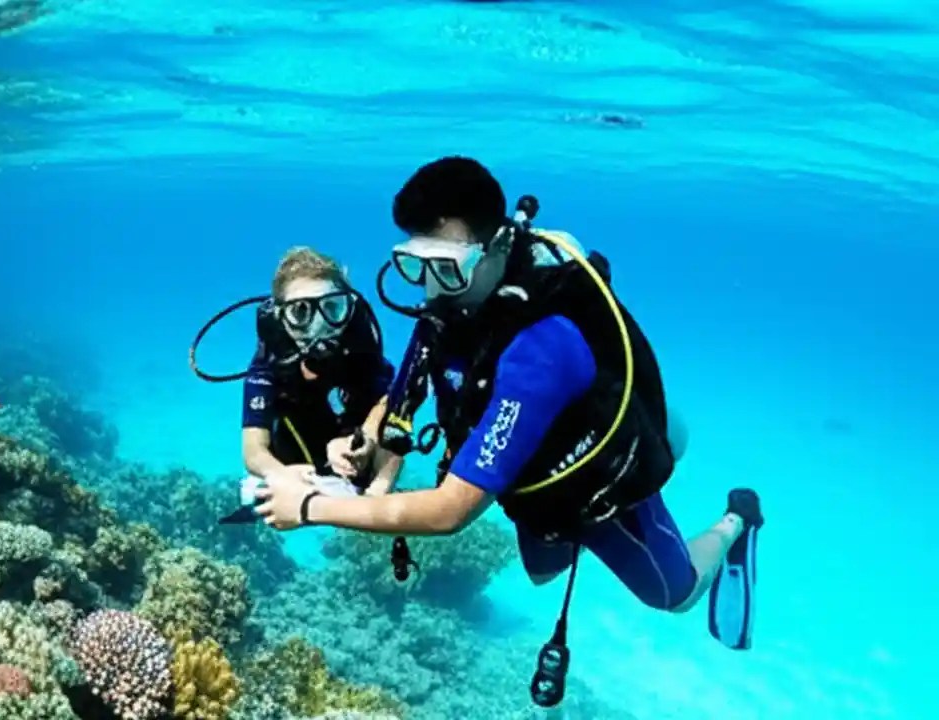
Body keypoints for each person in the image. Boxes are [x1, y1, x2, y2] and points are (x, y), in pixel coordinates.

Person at [253, 157, 764, 705]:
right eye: (415, 265)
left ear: (497, 247)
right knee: (544, 573)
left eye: (447, 267)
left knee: (674, 594)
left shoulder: (542, 347)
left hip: (600, 489)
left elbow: (451, 511)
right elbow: (404, 392)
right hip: (533, 480)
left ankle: (739, 521)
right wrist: (368, 441)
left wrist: (308, 508)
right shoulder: (449, 308)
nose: (430, 289)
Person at [191, 246, 402, 514]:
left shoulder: (362, 351)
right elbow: (254, 449)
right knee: (259, 487)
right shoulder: (269, 364)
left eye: (332, 308)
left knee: (395, 435)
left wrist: (366, 441)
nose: (319, 326)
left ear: (348, 308)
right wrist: (281, 476)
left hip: (351, 444)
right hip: (296, 452)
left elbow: (388, 402)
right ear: (282, 319)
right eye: (301, 312)